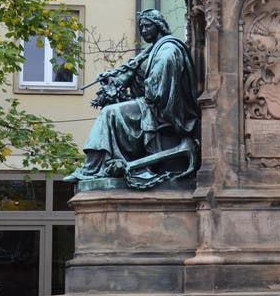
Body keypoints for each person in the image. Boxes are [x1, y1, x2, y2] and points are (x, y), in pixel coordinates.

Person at [64, 10, 200, 188]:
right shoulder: (151, 50)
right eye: (141, 27)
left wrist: (140, 89)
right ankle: (101, 165)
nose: (143, 30)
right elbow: (138, 73)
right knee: (112, 111)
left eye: (147, 26)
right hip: (148, 104)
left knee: (109, 113)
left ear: (158, 26)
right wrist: (116, 80)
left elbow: (157, 90)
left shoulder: (168, 49)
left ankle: (92, 168)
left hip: (159, 110)